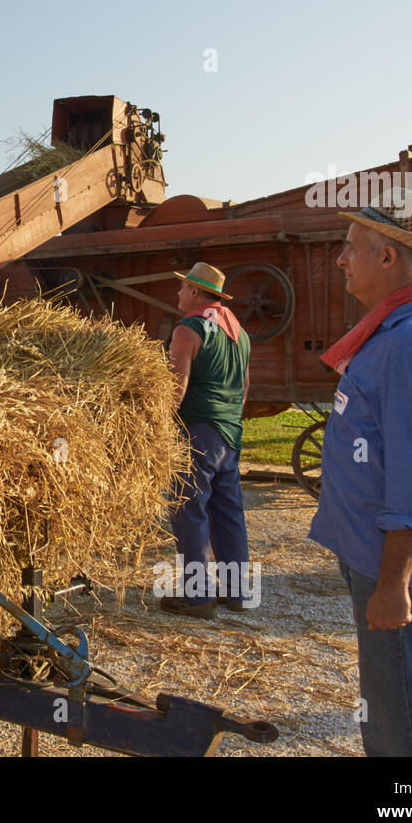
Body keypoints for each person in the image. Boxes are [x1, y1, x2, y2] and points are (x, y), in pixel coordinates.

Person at [310, 187, 412, 757]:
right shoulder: (408, 334)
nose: (340, 258)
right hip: (378, 557)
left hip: (392, 564)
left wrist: (393, 584)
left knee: (401, 725)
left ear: (388, 257)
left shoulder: (410, 344)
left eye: (352, 246)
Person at [161, 262, 252, 619]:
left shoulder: (189, 329)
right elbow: (245, 390)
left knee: (190, 510)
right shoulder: (239, 333)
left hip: (196, 430)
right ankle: (237, 593)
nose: (179, 293)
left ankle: (197, 599)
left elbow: (175, 387)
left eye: (183, 288)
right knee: (229, 511)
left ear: (196, 292)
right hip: (230, 432)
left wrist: (161, 425)